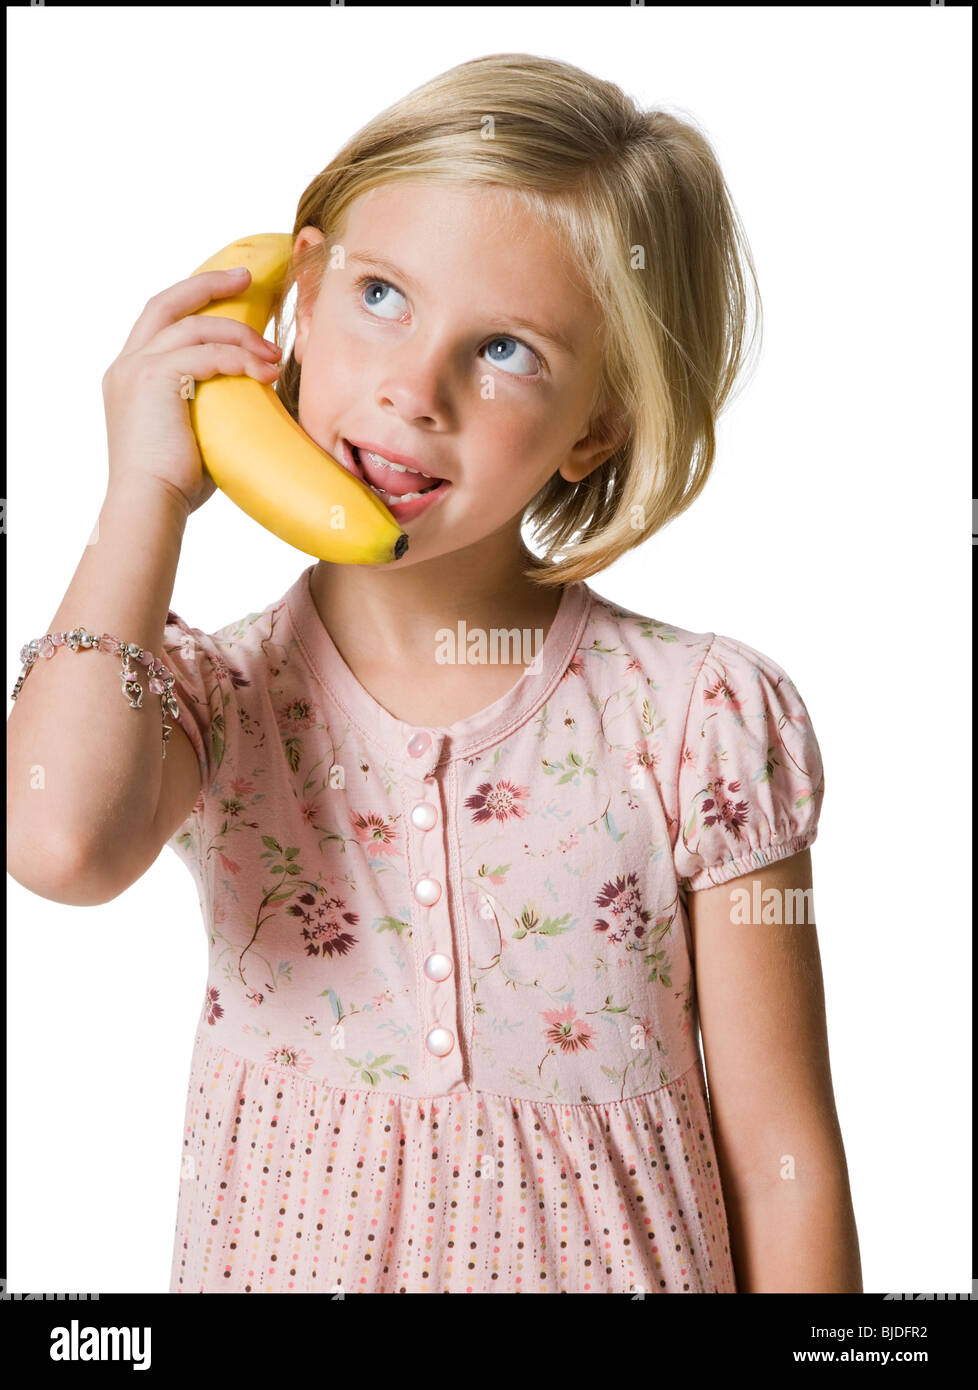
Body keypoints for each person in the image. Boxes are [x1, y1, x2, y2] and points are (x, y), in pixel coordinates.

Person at [7, 53, 861, 1294]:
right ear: (299, 292)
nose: (415, 389)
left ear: (597, 425)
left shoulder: (698, 720)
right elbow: (57, 839)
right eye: (380, 296)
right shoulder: (214, 698)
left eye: (505, 349)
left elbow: (785, 1148)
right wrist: (144, 496)